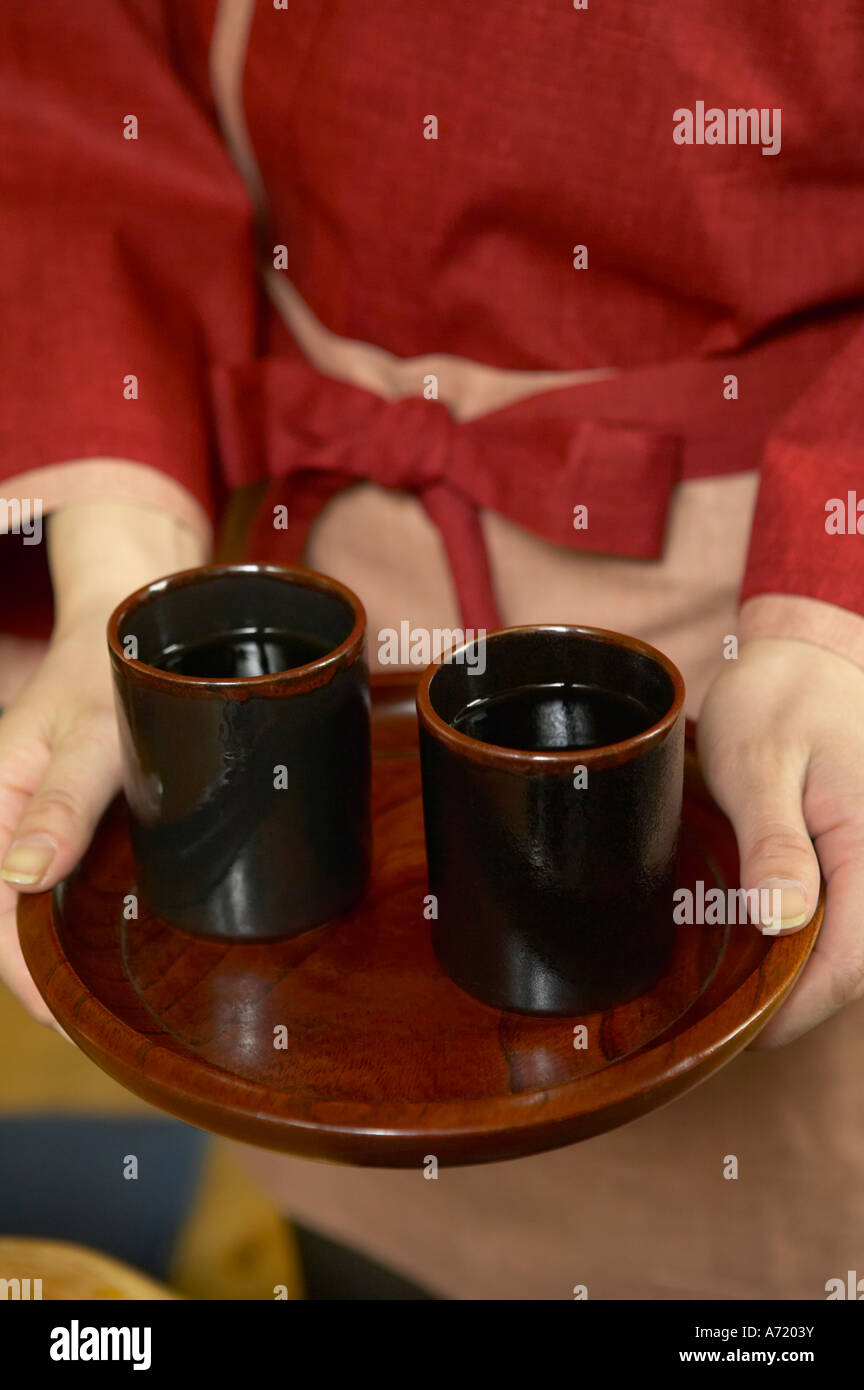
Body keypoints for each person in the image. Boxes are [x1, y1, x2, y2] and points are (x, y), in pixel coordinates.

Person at [1, 1, 863, 1299]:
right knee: (349, 1214)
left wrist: (829, 611)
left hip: (773, 625)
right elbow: (75, 69)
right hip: (318, 532)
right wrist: (112, 566)